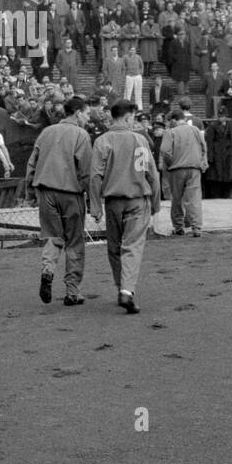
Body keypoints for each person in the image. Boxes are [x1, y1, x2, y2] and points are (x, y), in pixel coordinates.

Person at [89, 98, 160, 314]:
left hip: (113, 202)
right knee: (132, 246)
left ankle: (121, 287)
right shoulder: (140, 140)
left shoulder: (102, 141)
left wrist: (95, 206)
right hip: (138, 200)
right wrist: (155, 204)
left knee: (114, 248)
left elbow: (94, 176)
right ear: (128, 117)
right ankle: (127, 291)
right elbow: (153, 175)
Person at [27, 95, 92, 306]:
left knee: (53, 237)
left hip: (45, 191)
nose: (88, 118)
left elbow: (32, 163)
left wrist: (31, 190)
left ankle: (47, 270)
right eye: (87, 114)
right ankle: (72, 292)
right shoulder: (81, 135)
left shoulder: (46, 132)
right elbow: (85, 171)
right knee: (74, 242)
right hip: (71, 193)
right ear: (78, 112)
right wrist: (90, 196)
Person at [159, 104, 207, 236]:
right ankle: (196, 227)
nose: (169, 123)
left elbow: (165, 151)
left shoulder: (170, 132)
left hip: (177, 169)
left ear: (174, 120)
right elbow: (204, 147)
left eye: (170, 121)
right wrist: (203, 162)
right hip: (194, 168)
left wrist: (169, 164)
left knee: (177, 199)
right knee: (194, 198)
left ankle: (179, 227)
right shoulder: (196, 130)